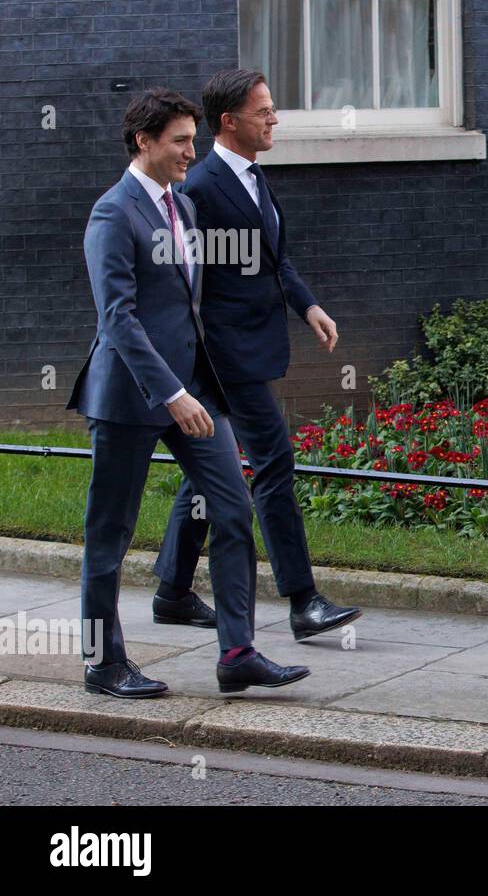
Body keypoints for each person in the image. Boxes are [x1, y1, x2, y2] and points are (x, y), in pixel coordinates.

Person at [69, 87, 310, 697]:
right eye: (178, 141)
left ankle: (237, 653)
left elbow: (188, 304)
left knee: (231, 507)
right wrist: (171, 391)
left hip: (192, 392)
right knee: (109, 536)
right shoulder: (112, 213)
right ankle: (103, 663)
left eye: (193, 140)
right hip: (131, 396)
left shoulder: (184, 208)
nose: (190, 152)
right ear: (142, 142)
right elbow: (118, 318)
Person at [151, 69, 361, 642]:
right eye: (264, 111)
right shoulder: (200, 186)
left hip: (250, 347)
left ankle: (171, 590)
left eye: (272, 109)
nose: (274, 119)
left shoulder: (249, 176)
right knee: (273, 463)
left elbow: (275, 259)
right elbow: (181, 280)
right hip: (223, 355)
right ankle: (303, 600)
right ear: (229, 122)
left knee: (210, 469)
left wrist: (308, 305)